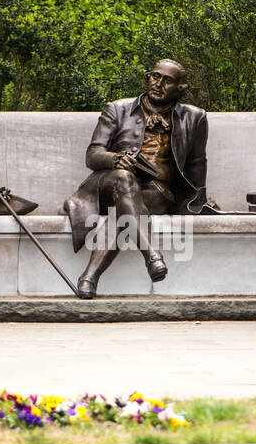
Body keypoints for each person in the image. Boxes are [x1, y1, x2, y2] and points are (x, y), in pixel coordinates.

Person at [64, 59, 215, 298]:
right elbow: (93, 155)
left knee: (124, 211)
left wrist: (200, 199)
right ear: (147, 78)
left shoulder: (195, 118)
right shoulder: (117, 109)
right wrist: (114, 160)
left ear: (180, 89)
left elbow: (197, 163)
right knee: (124, 179)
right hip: (107, 186)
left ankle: (88, 278)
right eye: (155, 77)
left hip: (155, 193)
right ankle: (152, 256)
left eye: (167, 81)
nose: (158, 84)